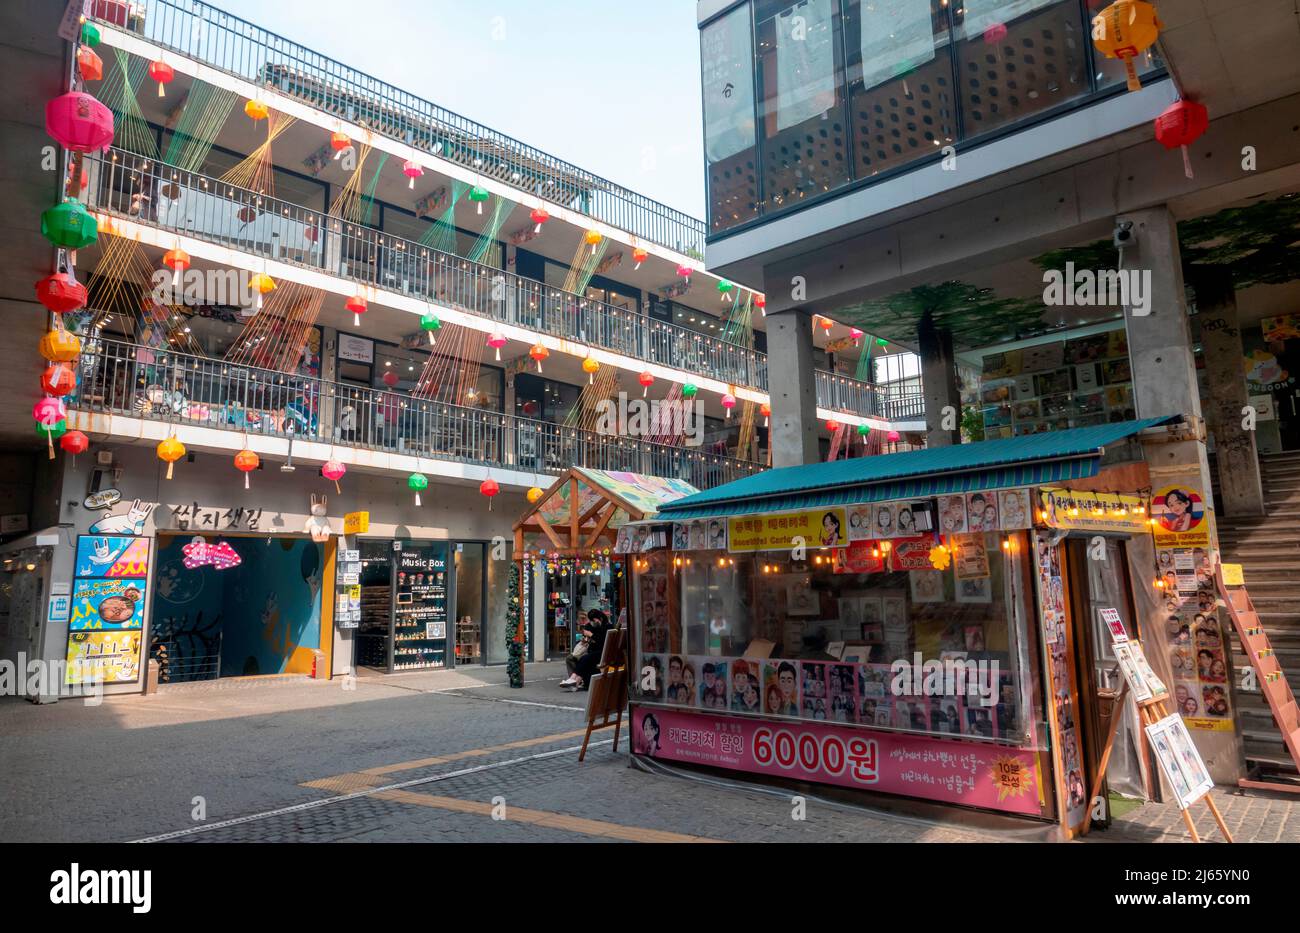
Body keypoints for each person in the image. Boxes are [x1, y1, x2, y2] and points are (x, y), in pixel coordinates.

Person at [561, 609, 609, 691]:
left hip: (603, 651)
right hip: (592, 651)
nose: (592, 622)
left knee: (585, 659)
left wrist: (591, 635)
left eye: (593, 620)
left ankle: (573, 679)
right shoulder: (591, 626)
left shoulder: (607, 627)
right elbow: (586, 633)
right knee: (572, 658)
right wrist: (586, 637)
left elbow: (602, 642)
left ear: (598, 618)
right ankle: (575, 683)